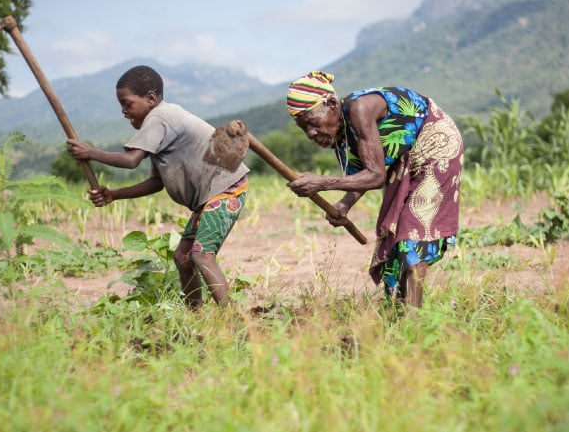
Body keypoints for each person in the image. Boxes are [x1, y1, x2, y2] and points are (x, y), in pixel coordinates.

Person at [67, 65, 249, 309]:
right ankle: (195, 317)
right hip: (215, 192)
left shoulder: (159, 117)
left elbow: (131, 161)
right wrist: (115, 195)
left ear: (150, 99)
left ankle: (235, 321)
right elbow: (156, 182)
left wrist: (91, 152)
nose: (123, 111)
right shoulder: (160, 123)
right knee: (182, 257)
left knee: (200, 254)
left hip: (227, 188)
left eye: (128, 103)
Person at [285, 71, 463, 308]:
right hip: (402, 160)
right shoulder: (339, 134)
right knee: (398, 237)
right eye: (303, 128)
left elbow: (376, 176)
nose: (310, 134)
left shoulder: (360, 110)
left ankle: (414, 321)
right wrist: (344, 205)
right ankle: (398, 310)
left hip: (434, 146)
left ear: (331, 105)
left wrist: (321, 183)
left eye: (312, 123)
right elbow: (362, 174)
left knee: (414, 234)